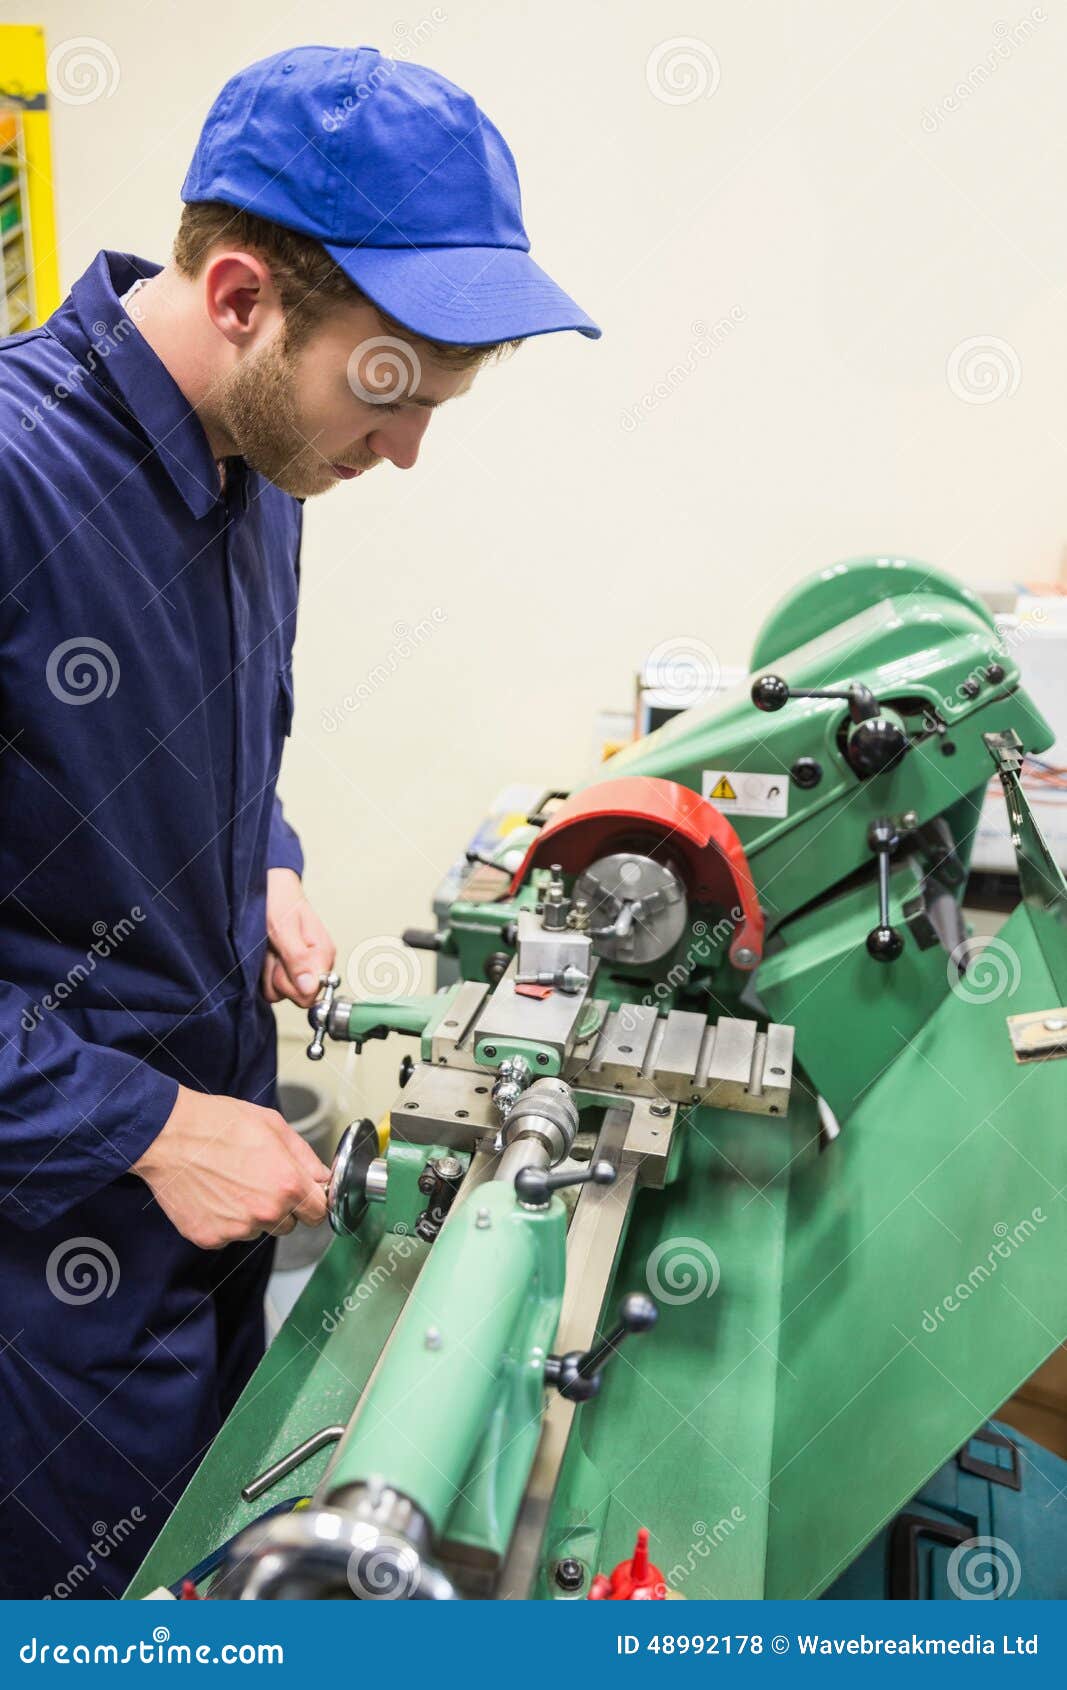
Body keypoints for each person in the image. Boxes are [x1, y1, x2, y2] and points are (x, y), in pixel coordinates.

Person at [0, 43, 599, 1598]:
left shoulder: (261, 469)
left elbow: (211, 753)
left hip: (193, 1274)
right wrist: (142, 1126)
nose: (404, 450)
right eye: (390, 388)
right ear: (246, 299)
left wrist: (260, 863)